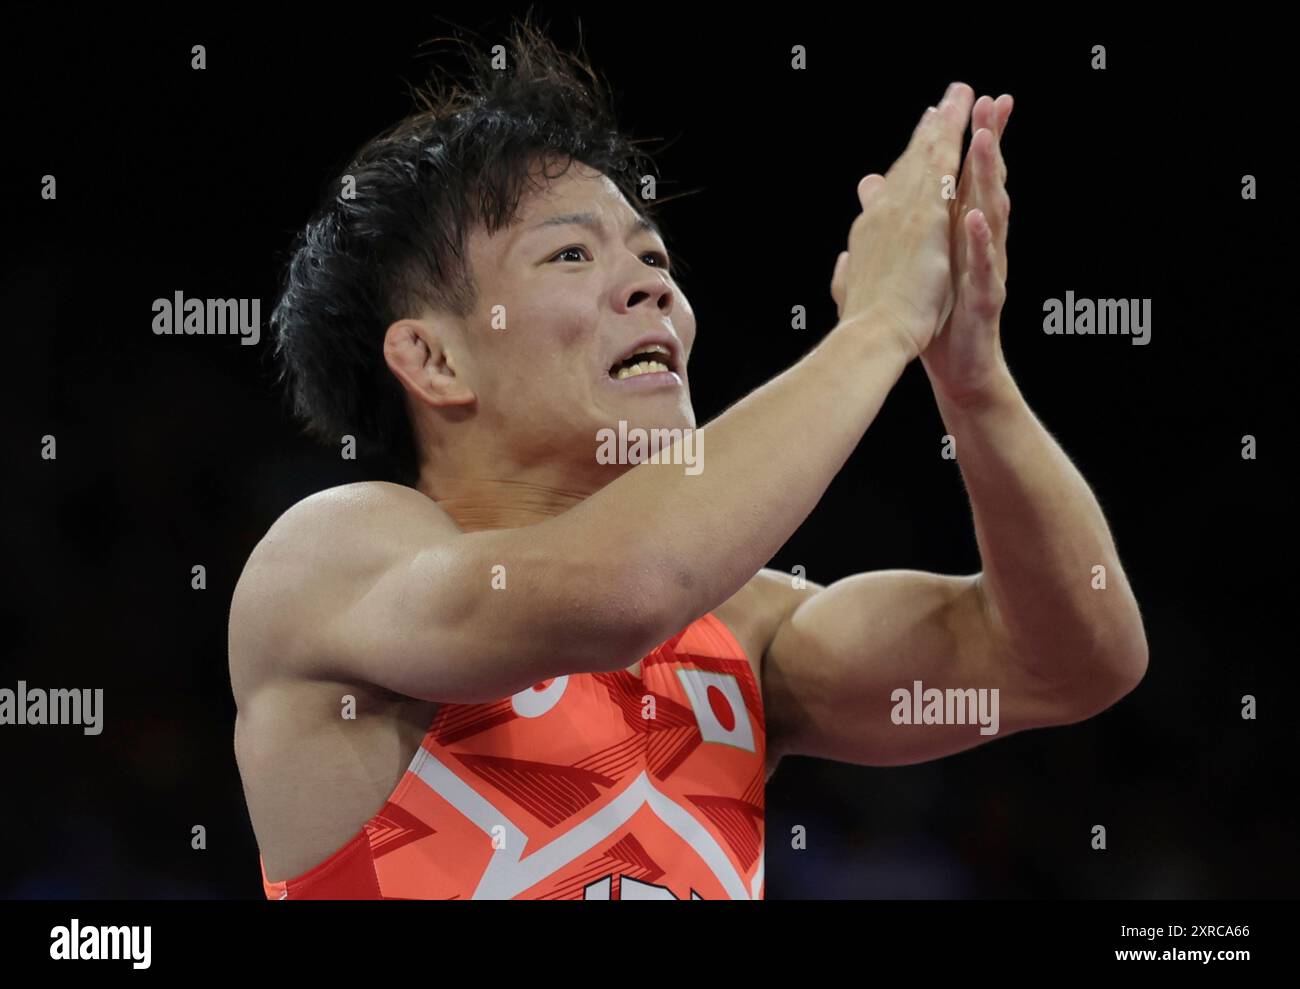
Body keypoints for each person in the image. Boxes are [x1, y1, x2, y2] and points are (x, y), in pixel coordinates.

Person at [230, 20, 1148, 900]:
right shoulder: (330, 560)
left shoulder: (739, 631)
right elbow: (627, 587)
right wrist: (877, 327)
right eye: (570, 255)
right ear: (434, 360)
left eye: (652, 253)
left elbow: (1073, 658)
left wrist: (974, 382)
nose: (653, 285)